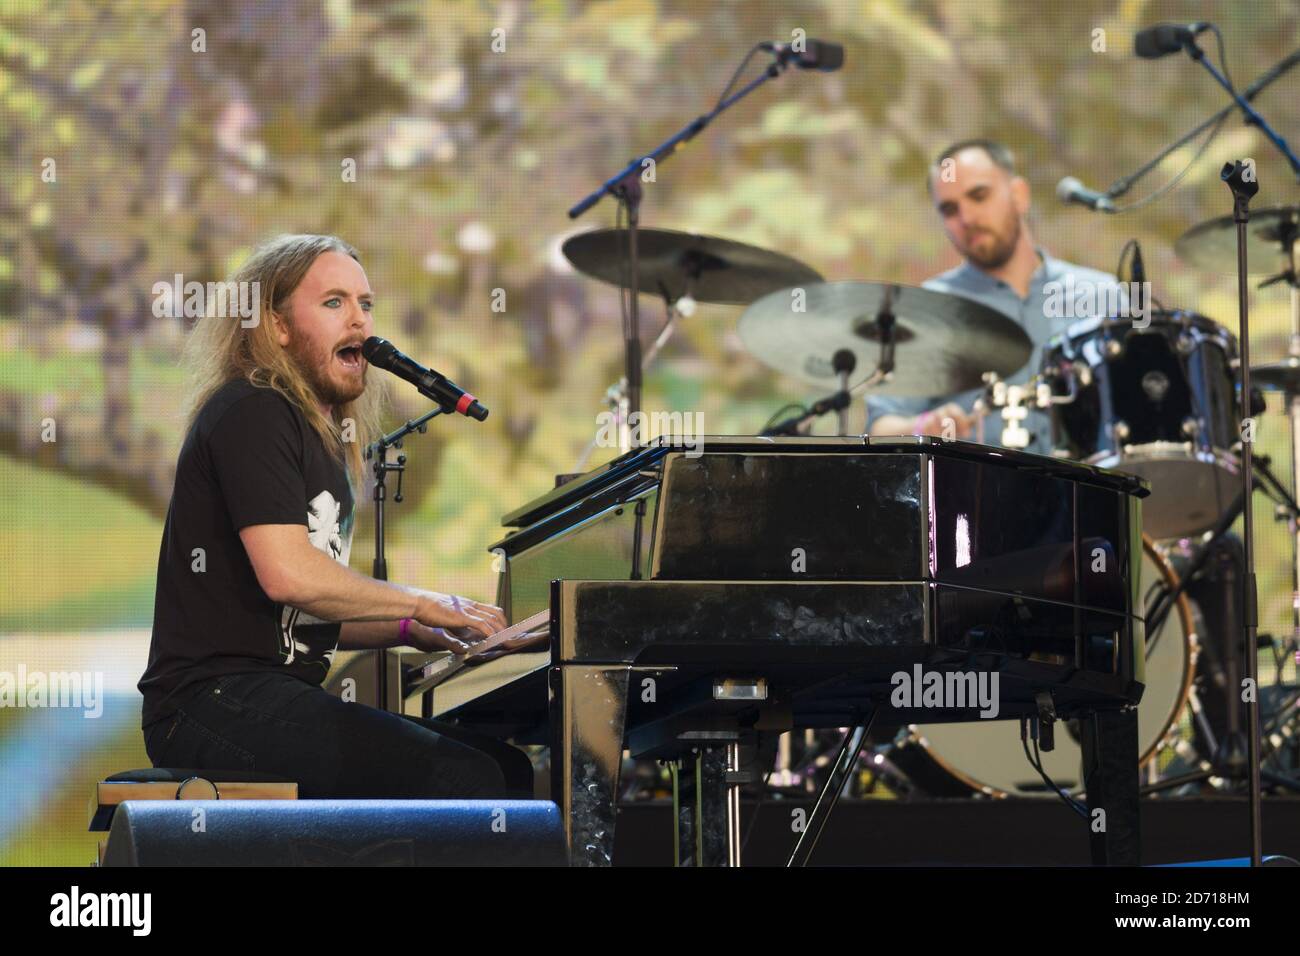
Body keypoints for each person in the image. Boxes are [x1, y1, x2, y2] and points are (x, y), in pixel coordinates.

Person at [138, 233, 534, 798]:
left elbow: (302, 615)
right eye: (334, 303)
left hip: (267, 695)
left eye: (365, 304)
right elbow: (291, 576)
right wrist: (422, 600)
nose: (359, 322)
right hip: (209, 703)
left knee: (506, 769)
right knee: (465, 776)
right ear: (275, 326)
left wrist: (411, 628)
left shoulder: (315, 433)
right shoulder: (253, 409)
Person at [867, 138, 1125, 452]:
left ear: (1019, 195)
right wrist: (921, 427)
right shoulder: (927, 310)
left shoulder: (1103, 294)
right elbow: (881, 424)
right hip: (977, 496)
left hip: (1095, 493)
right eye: (949, 209)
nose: (967, 218)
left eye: (979, 196)